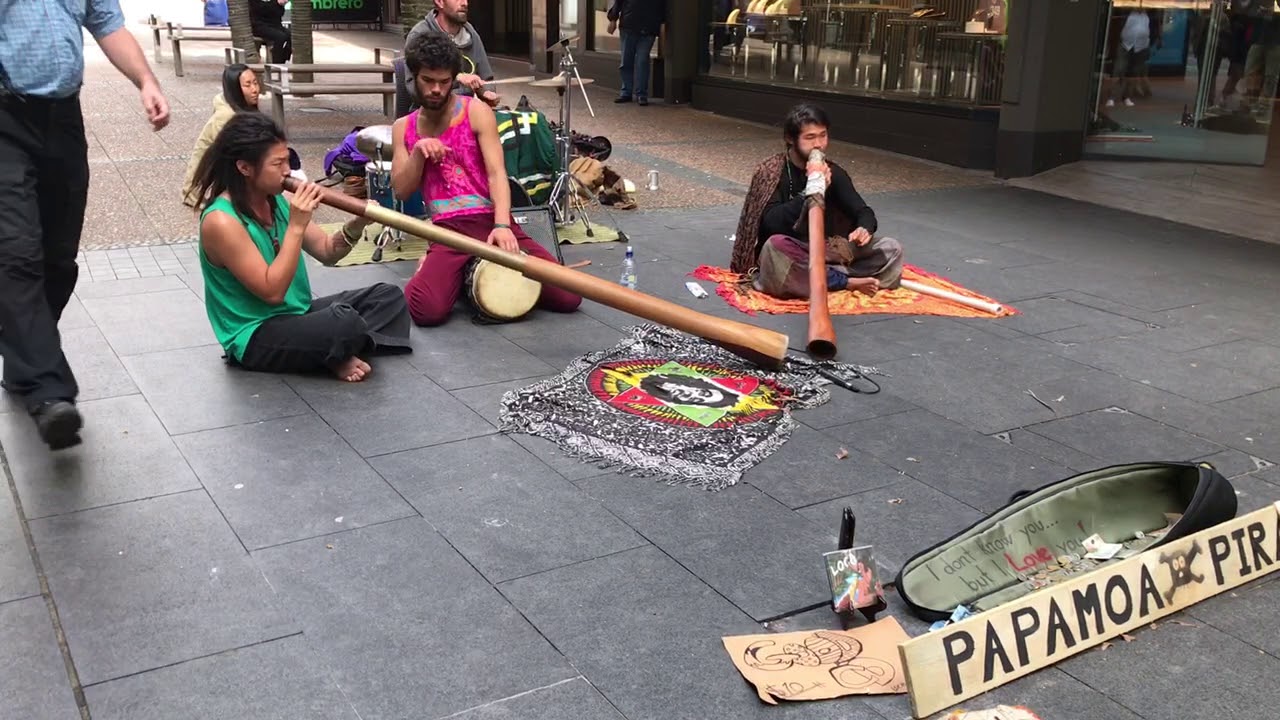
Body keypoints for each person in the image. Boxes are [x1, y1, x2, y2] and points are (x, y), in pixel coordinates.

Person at [0, 0, 170, 450]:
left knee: (59, 256)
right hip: (4, 118)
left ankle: (22, 356)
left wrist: (146, 81)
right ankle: (48, 390)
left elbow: (108, 25)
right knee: (16, 252)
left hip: (62, 118)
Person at [190, 113, 412, 382]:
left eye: (288, 160)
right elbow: (272, 292)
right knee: (343, 321)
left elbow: (328, 251)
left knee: (387, 297)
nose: (288, 171)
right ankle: (332, 350)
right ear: (245, 168)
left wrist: (358, 224)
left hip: (297, 315)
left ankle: (332, 350)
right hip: (255, 335)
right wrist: (296, 225)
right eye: (278, 163)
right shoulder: (222, 221)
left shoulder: (277, 199)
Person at [391, 31, 582, 326]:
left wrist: (503, 224)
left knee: (570, 297)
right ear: (414, 77)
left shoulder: (477, 112)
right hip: (448, 232)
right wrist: (418, 153)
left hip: (491, 221)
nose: (437, 89)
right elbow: (402, 191)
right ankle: (443, 270)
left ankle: (467, 273)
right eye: (428, 81)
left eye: (444, 82)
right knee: (425, 311)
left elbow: (497, 173)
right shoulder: (404, 127)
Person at [730, 104, 903, 299]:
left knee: (891, 248)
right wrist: (810, 191)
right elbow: (771, 223)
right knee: (774, 248)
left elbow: (862, 210)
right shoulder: (771, 172)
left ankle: (822, 278)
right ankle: (843, 282)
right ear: (790, 138)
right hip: (793, 250)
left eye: (823, 135)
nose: (818, 144)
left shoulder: (833, 172)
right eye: (810, 137)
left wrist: (865, 227)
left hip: (827, 251)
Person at [399, 0, 499, 118]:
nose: (465, 3)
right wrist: (458, 78)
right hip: (428, 115)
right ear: (440, 2)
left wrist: (486, 92)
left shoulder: (471, 34)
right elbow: (414, 89)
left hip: (464, 114)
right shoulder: (420, 34)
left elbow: (486, 79)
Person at [182, 64, 262, 207]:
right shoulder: (226, 117)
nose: (254, 90)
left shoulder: (240, 107)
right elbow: (232, 159)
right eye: (247, 85)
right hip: (203, 185)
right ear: (235, 89)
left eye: (255, 83)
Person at [607, 0, 668, 105]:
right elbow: (619, 2)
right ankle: (626, 92)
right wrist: (613, 19)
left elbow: (663, 8)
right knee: (626, 61)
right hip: (628, 27)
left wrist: (662, 26)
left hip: (648, 30)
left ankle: (641, 94)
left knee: (642, 61)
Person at [250, 0, 292, 64]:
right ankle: (277, 62)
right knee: (280, 37)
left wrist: (281, 5)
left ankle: (284, 58)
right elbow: (261, 10)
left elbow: (279, 13)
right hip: (259, 25)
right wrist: (276, 3)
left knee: (291, 35)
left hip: (275, 24)